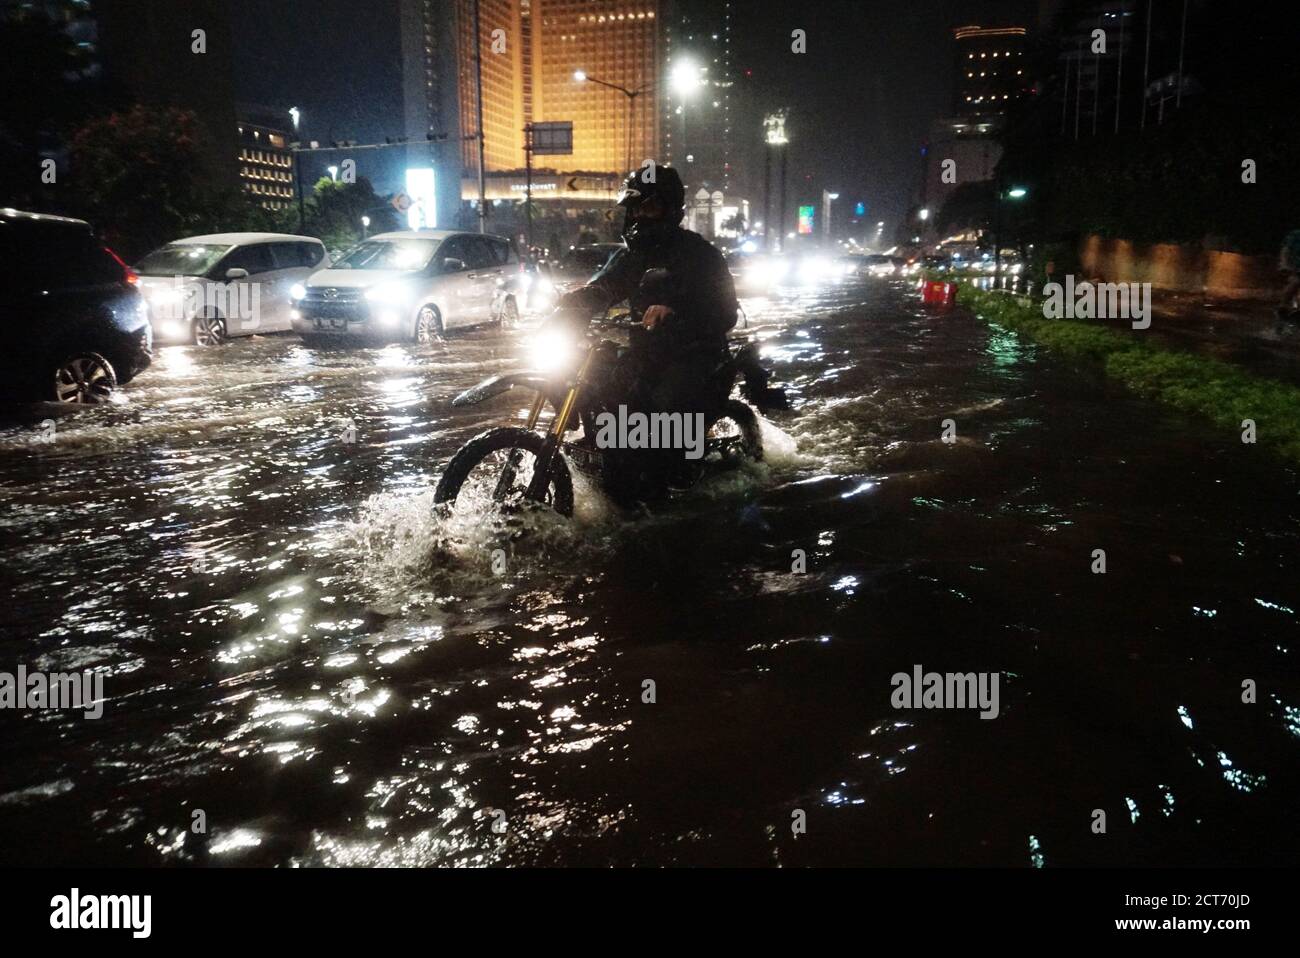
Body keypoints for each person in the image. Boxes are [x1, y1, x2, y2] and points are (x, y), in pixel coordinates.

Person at [555, 164, 739, 419]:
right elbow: (606, 285)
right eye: (635, 208)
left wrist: (674, 313)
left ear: (670, 209)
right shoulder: (631, 257)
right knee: (596, 379)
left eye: (649, 208)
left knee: (666, 409)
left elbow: (726, 313)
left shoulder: (701, 254)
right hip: (646, 353)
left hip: (694, 356)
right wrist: (573, 302)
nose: (640, 215)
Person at [1278, 228, 1300, 320]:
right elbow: (1285, 249)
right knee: (1295, 282)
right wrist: (1284, 263)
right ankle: (1283, 307)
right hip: (1294, 266)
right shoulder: (1295, 235)